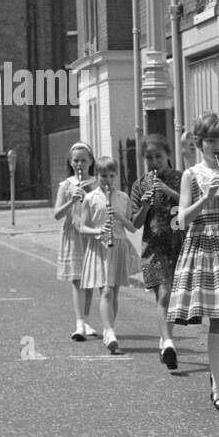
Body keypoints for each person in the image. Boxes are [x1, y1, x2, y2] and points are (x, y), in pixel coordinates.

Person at [168, 112, 219, 411]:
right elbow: (180, 220)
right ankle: (217, 385)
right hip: (207, 244)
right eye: (211, 140)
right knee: (218, 317)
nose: (217, 145)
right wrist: (206, 196)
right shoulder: (192, 174)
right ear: (199, 143)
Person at [75, 155, 140, 354]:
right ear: (97, 176)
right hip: (100, 246)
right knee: (105, 290)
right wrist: (99, 231)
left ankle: (107, 328)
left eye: (112, 176)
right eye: (103, 176)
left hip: (119, 244)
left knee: (115, 292)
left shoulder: (123, 198)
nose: (108, 180)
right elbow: (83, 227)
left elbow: (133, 228)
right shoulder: (90, 198)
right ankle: (110, 332)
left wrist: (119, 216)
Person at [130, 133, 184, 369]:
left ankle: (165, 341)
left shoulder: (182, 178)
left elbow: (192, 206)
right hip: (153, 247)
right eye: (149, 157)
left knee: (169, 297)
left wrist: (169, 191)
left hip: (178, 245)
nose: (154, 162)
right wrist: (144, 205)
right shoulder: (140, 185)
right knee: (163, 293)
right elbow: (136, 223)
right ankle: (169, 342)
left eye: (158, 156)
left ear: (168, 155)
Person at [53, 142, 100, 342]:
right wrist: (71, 200)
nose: (79, 164)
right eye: (76, 160)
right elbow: (57, 214)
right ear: (70, 163)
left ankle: (87, 319)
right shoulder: (66, 185)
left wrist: (90, 195)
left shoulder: (97, 182)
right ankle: (79, 322)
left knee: (89, 280)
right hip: (73, 234)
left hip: (90, 233)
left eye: (83, 160)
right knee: (77, 280)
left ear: (90, 161)